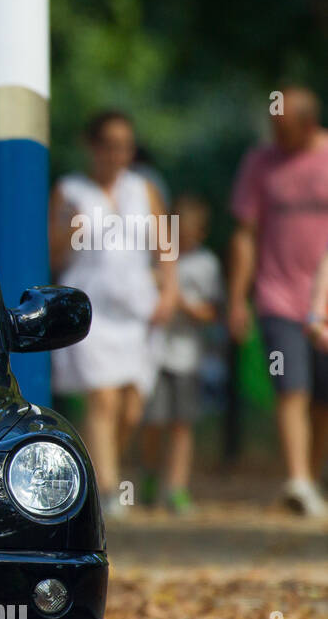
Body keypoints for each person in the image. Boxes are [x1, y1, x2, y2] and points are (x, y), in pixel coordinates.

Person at [49, 110, 178, 519]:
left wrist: (170, 290)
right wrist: (69, 230)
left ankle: (90, 476)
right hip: (91, 312)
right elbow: (52, 253)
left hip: (135, 312)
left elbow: (166, 246)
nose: (116, 154)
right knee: (102, 399)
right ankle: (107, 488)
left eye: (124, 146)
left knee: (132, 406)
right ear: (92, 146)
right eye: (109, 145)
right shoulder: (70, 191)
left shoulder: (144, 189)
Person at [228, 86, 328, 516]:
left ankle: (312, 476)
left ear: (309, 124)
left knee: (323, 399)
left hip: (323, 301)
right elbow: (245, 234)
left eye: (284, 129)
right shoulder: (259, 162)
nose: (276, 137)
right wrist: (236, 298)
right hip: (276, 296)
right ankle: (299, 479)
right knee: (291, 386)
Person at [140, 195, 223, 513]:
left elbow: (211, 311)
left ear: (200, 234)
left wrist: (182, 303)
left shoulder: (206, 264)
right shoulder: (156, 259)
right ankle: (148, 475)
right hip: (155, 352)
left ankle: (176, 486)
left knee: (181, 423)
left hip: (187, 355)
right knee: (153, 420)